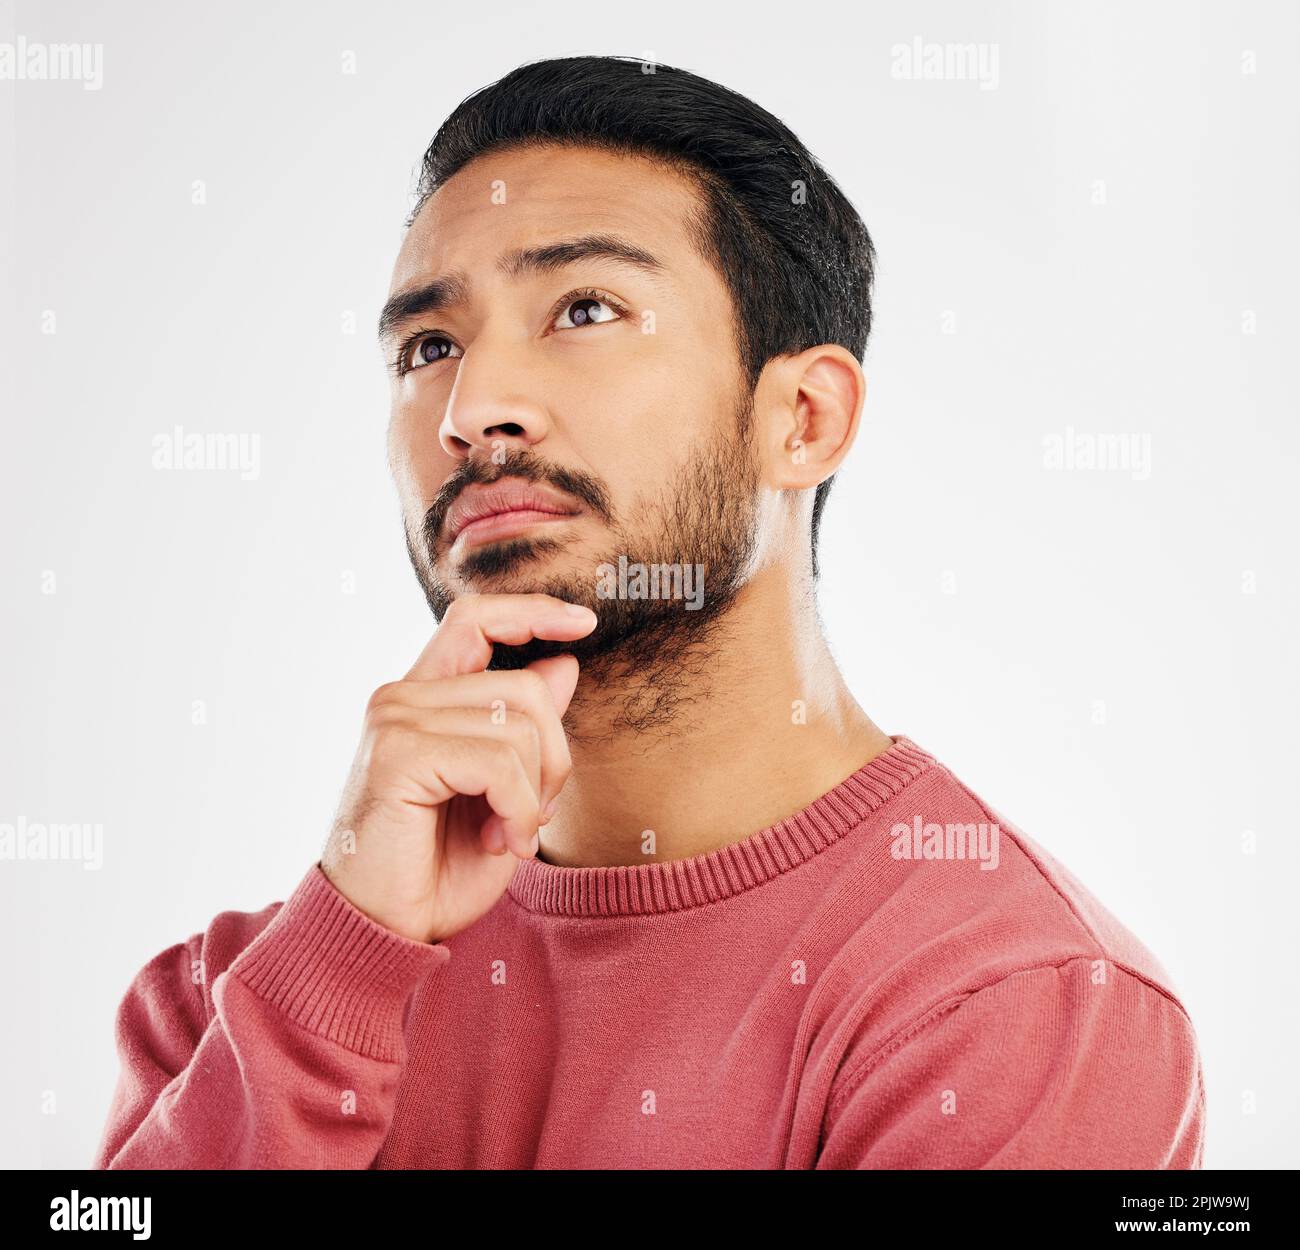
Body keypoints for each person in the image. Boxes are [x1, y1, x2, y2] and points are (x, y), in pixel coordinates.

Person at [94, 55, 1204, 1170]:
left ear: (804, 419)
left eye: (584, 308)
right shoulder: (227, 1010)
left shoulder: (1009, 1008)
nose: (475, 411)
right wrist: (339, 960)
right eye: (430, 348)